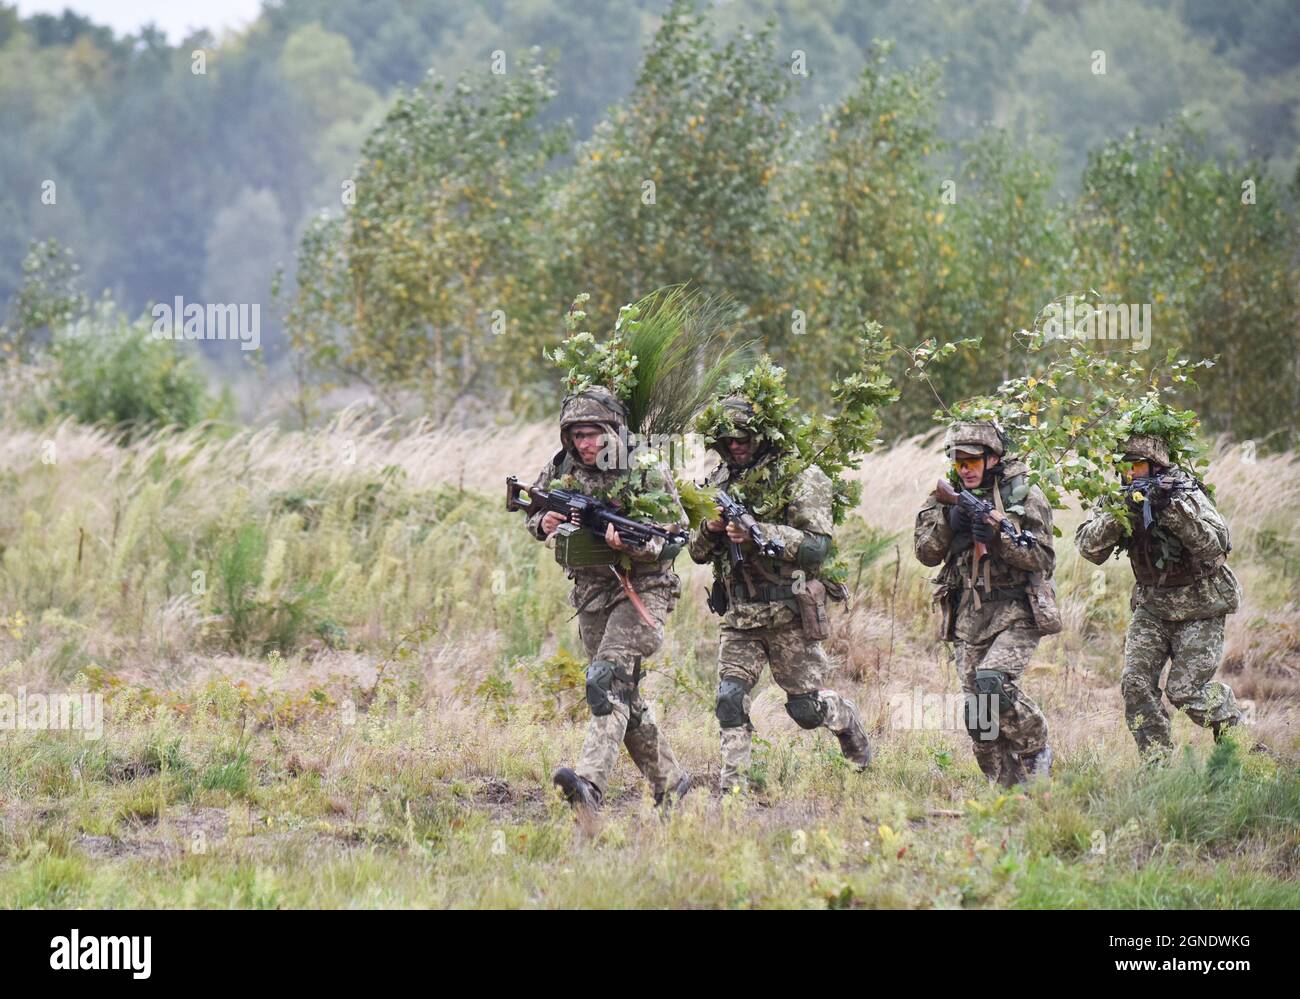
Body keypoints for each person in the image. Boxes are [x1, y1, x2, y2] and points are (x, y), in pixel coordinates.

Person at [689, 395, 871, 793]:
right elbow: (697, 552)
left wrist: (760, 532)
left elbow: (816, 546)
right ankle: (734, 788)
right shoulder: (718, 483)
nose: (735, 446)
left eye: (743, 438)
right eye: (727, 440)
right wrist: (712, 530)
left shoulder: (801, 477)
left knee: (805, 709)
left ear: (763, 436)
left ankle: (844, 717)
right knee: (729, 698)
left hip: (789, 611)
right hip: (740, 616)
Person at [524, 388, 692, 813]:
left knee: (604, 680)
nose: (585, 444)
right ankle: (671, 783)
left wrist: (637, 545)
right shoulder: (562, 467)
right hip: (593, 595)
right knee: (622, 694)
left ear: (612, 431)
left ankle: (589, 787)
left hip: (644, 591)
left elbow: (677, 537)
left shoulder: (645, 469)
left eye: (593, 434)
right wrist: (542, 523)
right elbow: (532, 510)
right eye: (577, 435)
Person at [1075, 431, 1243, 757]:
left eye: (1137, 465)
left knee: (1185, 691)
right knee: (1135, 686)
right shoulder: (1119, 496)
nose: (1130, 473)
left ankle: (1229, 720)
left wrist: (1170, 510)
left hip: (1201, 604)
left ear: (1155, 466)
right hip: (1152, 607)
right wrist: (1120, 512)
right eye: (1124, 467)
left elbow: (1216, 543)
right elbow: (1088, 548)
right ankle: (1157, 763)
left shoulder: (1184, 492)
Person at [913, 420, 1055, 785]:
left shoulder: (1023, 495)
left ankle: (1035, 748)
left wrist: (997, 538)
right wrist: (951, 521)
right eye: (958, 460)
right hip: (969, 616)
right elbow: (925, 553)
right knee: (978, 714)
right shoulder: (945, 497)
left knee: (993, 683)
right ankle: (1005, 788)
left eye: (973, 460)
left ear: (992, 459)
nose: (965, 467)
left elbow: (1042, 558)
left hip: (1016, 610)